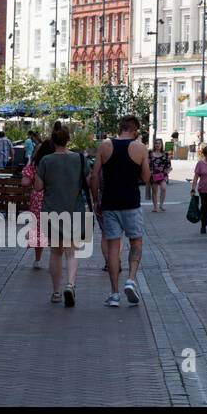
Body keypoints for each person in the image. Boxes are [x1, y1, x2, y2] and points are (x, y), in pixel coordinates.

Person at [90, 115, 150, 308]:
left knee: (113, 248)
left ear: (120, 128)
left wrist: (95, 199)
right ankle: (131, 279)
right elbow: (146, 177)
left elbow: (94, 176)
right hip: (131, 202)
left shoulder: (104, 146)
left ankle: (114, 293)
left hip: (109, 203)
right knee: (136, 241)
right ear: (135, 130)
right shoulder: (140, 148)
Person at [35, 124, 89, 307]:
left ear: (53, 141)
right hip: (75, 210)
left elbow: (38, 187)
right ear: (68, 140)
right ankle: (70, 285)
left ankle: (56, 292)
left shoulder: (46, 161)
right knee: (72, 252)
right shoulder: (80, 159)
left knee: (55, 253)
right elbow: (89, 182)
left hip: (51, 210)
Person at [21, 135, 55, 269]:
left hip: (37, 199)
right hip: (55, 198)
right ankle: (55, 258)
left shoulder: (35, 163)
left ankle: (38, 260)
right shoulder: (56, 162)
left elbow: (25, 182)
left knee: (38, 229)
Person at [149, 138, 172, 212]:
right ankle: (155, 207)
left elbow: (169, 165)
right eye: (156, 143)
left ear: (162, 145)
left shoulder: (165, 154)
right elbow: (147, 164)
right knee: (154, 191)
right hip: (153, 175)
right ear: (154, 145)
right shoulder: (150, 153)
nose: (157, 145)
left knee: (164, 188)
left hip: (163, 175)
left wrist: (167, 172)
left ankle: (161, 205)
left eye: (159, 143)